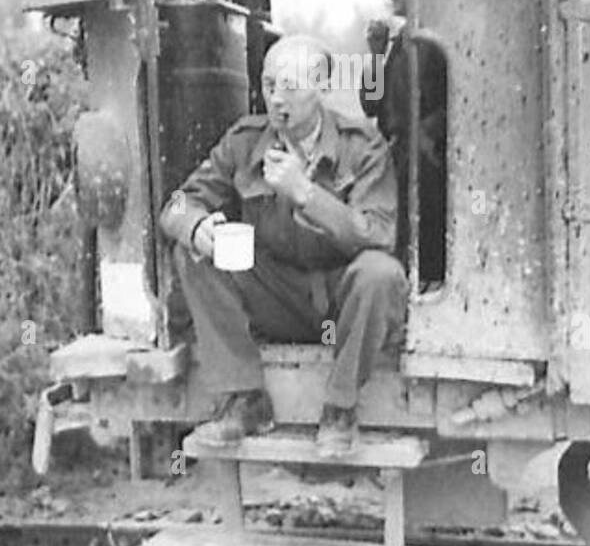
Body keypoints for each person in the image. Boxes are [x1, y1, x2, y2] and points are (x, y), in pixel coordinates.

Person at [161, 35, 407, 458]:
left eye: (289, 87)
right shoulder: (245, 141)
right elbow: (178, 203)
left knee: (381, 274)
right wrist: (196, 224)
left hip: (341, 300)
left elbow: (378, 234)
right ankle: (245, 398)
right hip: (276, 297)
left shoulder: (362, 146)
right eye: (268, 85)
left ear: (322, 85)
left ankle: (340, 408)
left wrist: (306, 193)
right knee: (193, 252)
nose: (276, 99)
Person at [362, 0, 448, 287]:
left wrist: (428, 134)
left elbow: (458, 97)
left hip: (430, 159)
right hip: (397, 153)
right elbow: (371, 104)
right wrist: (375, 57)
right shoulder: (400, 42)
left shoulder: (440, 39)